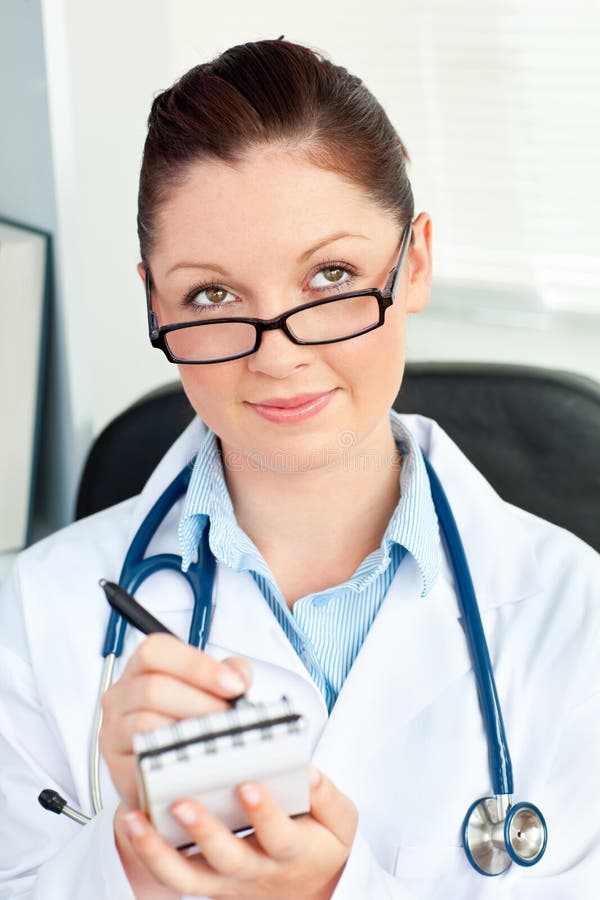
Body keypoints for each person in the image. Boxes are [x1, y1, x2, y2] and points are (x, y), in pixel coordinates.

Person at [1, 37, 599, 900]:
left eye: (331, 276)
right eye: (212, 295)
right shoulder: (44, 608)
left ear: (415, 262)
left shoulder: (571, 613)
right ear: (153, 300)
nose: (280, 356)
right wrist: (127, 859)